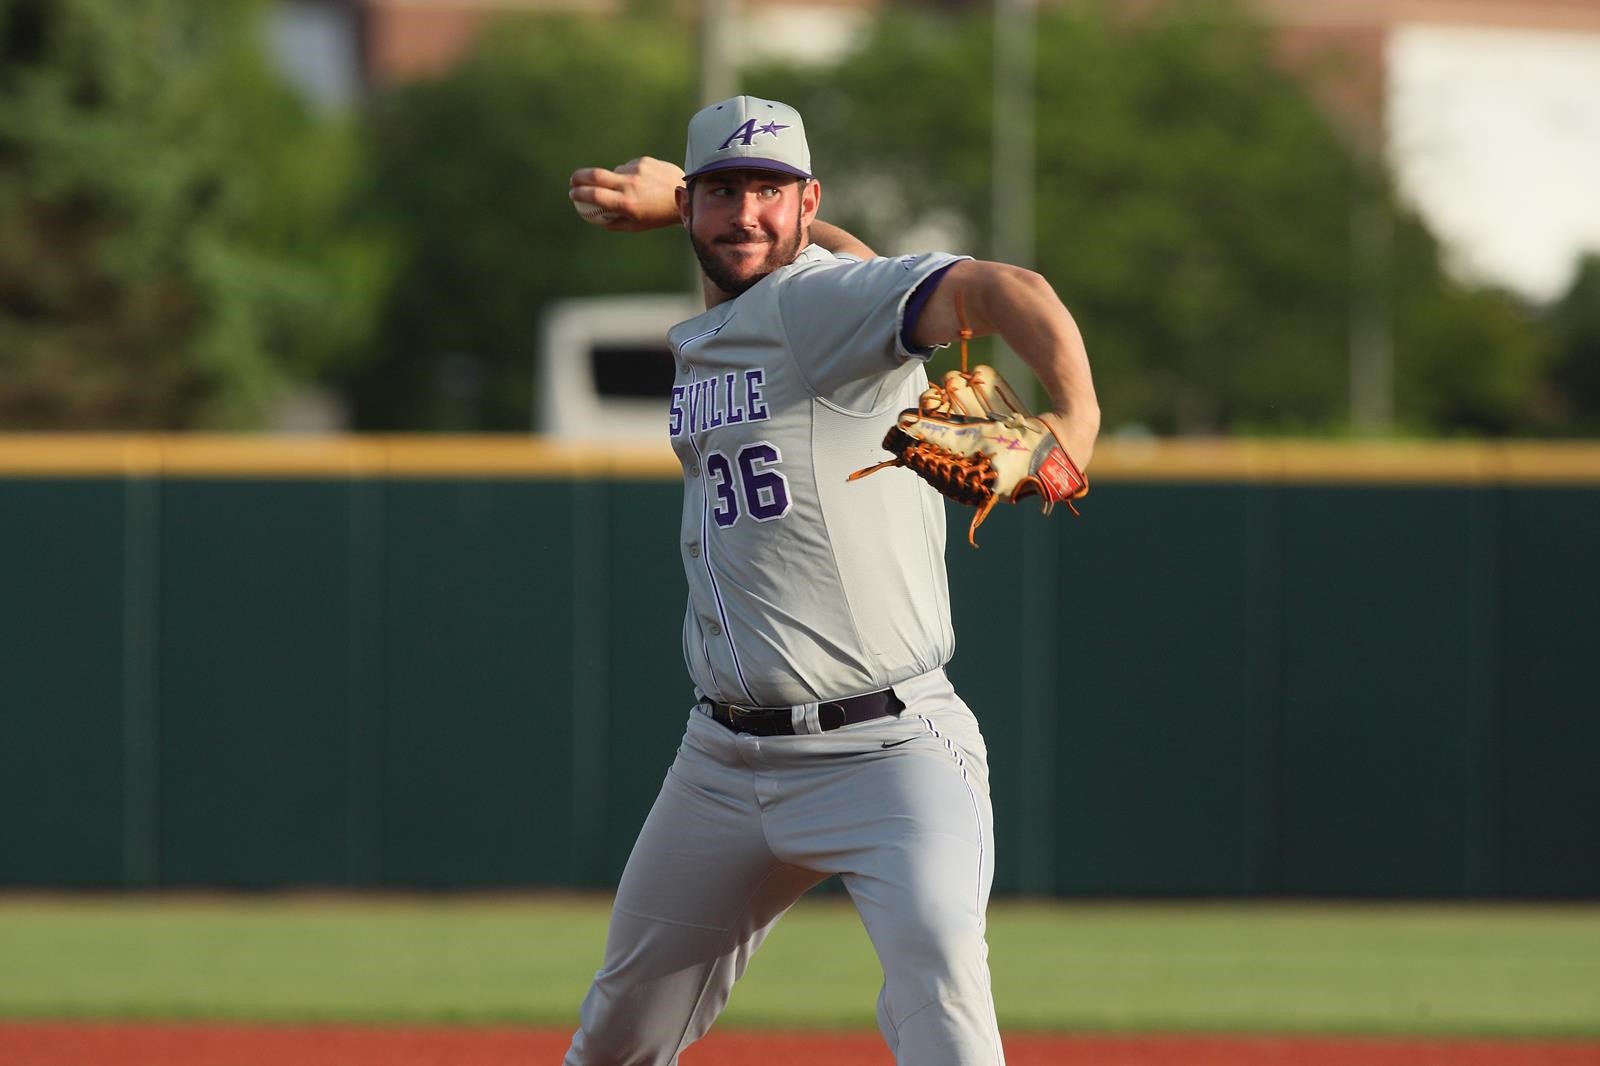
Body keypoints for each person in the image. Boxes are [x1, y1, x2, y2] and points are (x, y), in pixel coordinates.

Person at [563, 95, 1099, 1066]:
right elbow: (836, 259)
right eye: (723, 192)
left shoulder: (822, 306)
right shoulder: (793, 302)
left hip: (888, 750)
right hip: (720, 762)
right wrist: (694, 202)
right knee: (614, 1040)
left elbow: (1006, 284)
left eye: (769, 192)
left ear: (808, 200)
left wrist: (1079, 417)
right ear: (687, 207)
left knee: (944, 992)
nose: (746, 215)